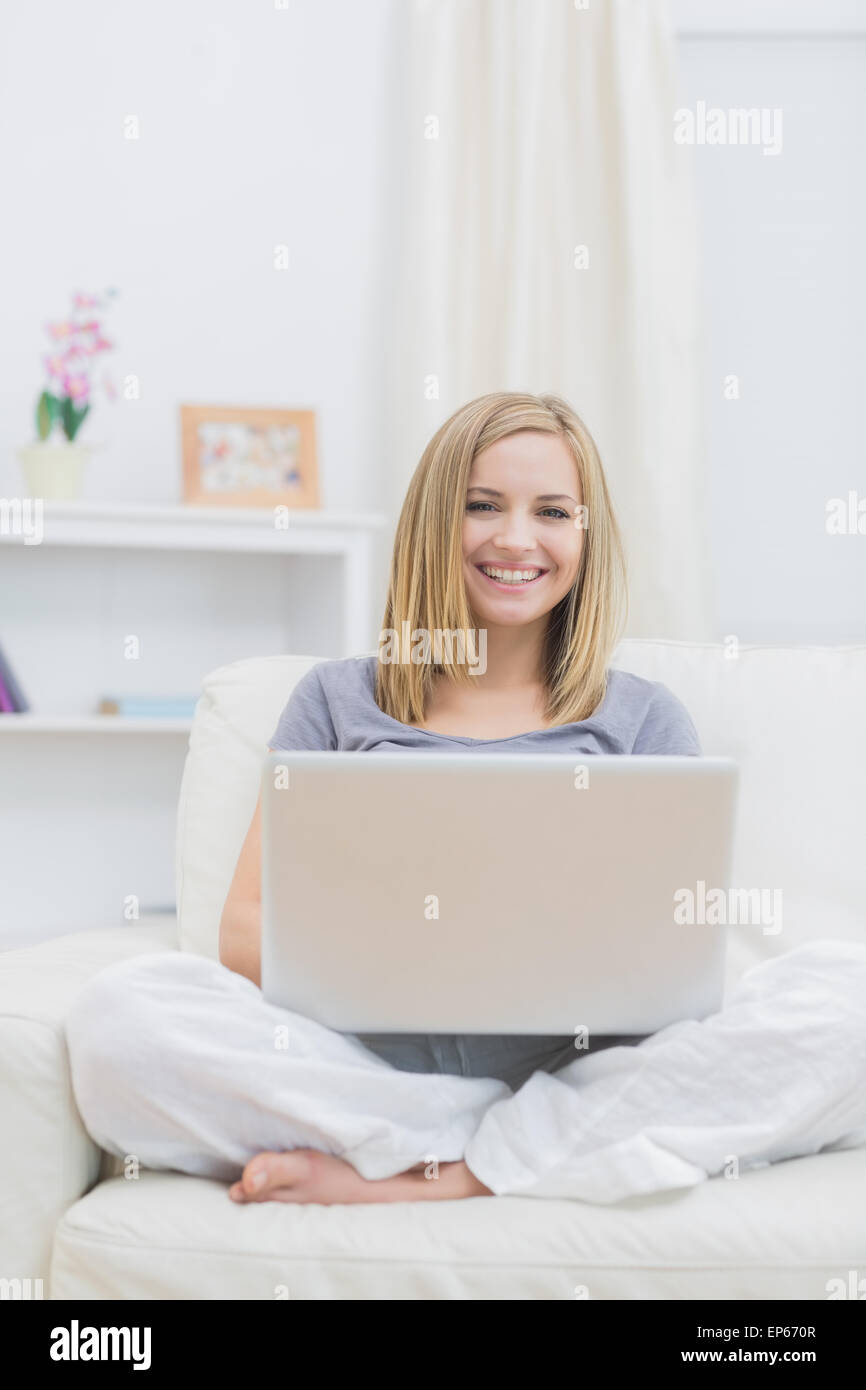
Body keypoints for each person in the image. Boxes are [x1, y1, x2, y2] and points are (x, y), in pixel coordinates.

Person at [65, 391, 866, 1208]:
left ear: (586, 536)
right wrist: (412, 959)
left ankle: (452, 1170)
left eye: (552, 511)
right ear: (432, 524)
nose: (516, 538)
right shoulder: (336, 701)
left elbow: (675, 960)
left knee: (849, 998)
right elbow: (242, 932)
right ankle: (484, 1138)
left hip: (580, 1069)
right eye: (482, 505)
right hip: (364, 1064)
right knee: (121, 1017)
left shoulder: (642, 718)